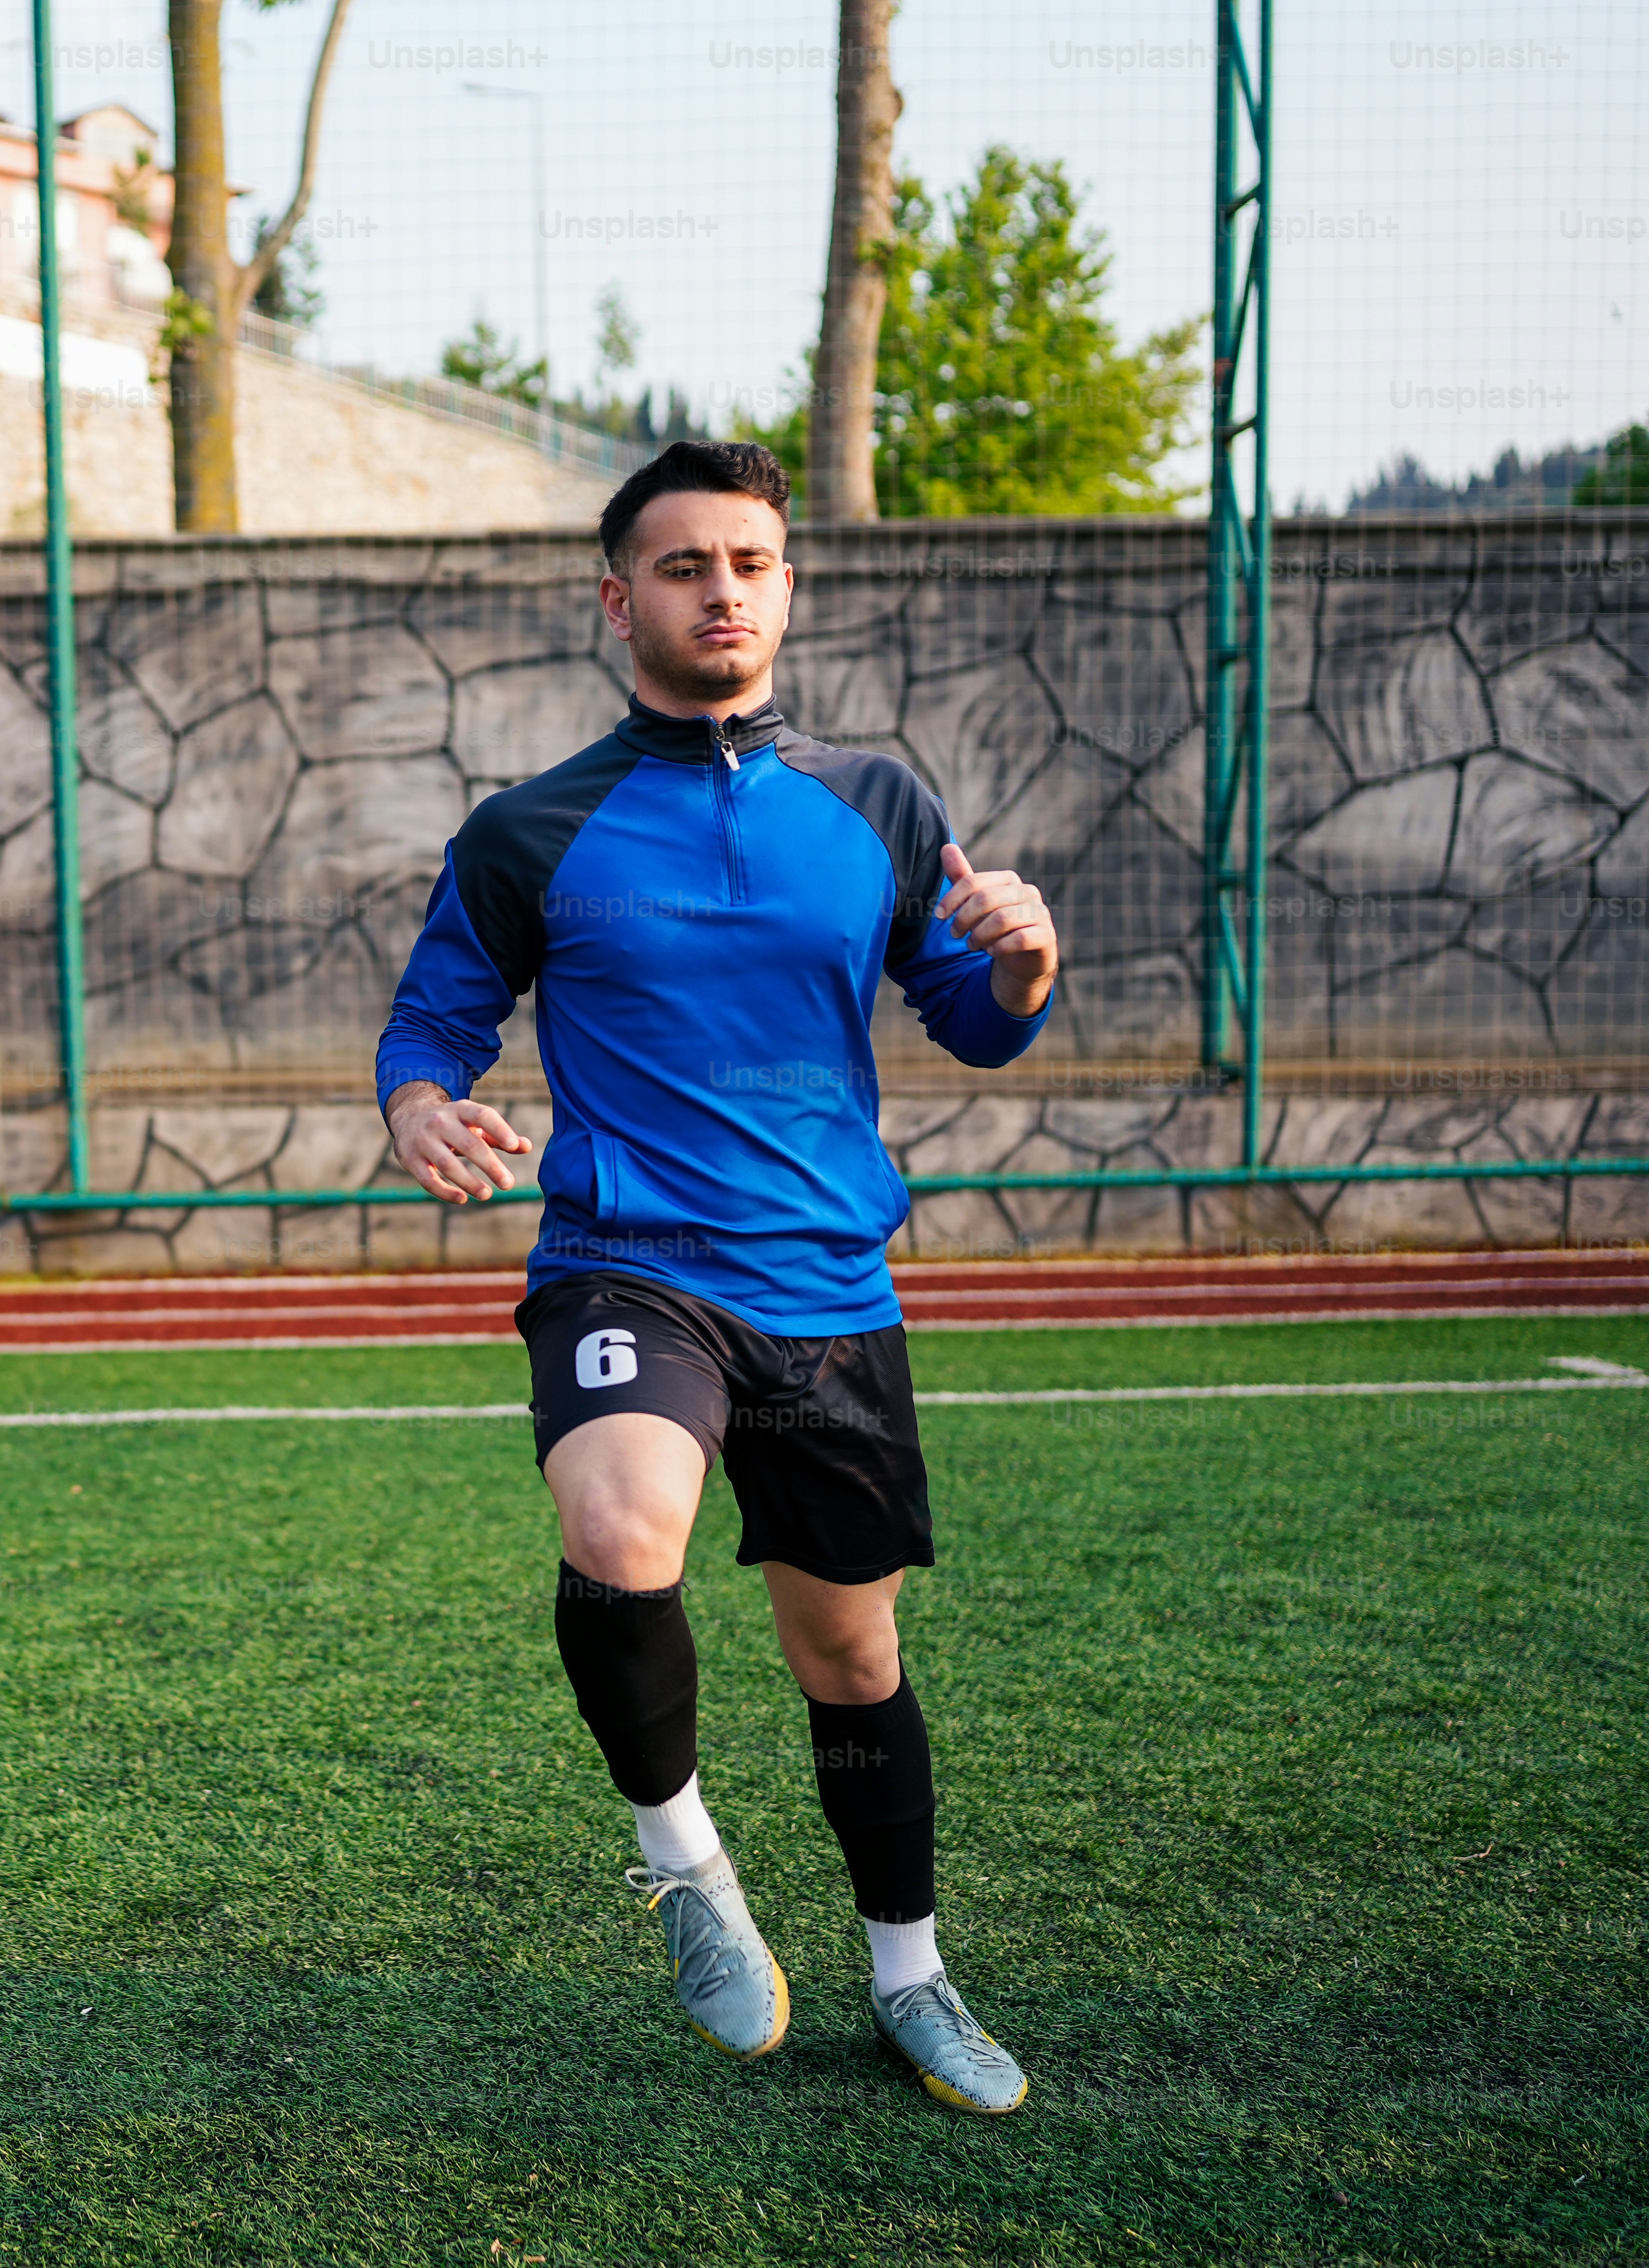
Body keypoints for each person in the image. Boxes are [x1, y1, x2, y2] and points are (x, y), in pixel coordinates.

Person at [373, 440, 1059, 2115]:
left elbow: (972, 1023)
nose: (722, 591)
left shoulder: (879, 805)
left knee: (852, 1661)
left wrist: (1027, 964)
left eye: (750, 562)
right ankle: (685, 1868)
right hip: (628, 1265)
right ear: (623, 602)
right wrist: (419, 1108)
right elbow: (433, 1020)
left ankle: (912, 1978)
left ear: (787, 589)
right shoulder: (533, 828)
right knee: (622, 1535)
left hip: (829, 1290)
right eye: (685, 566)